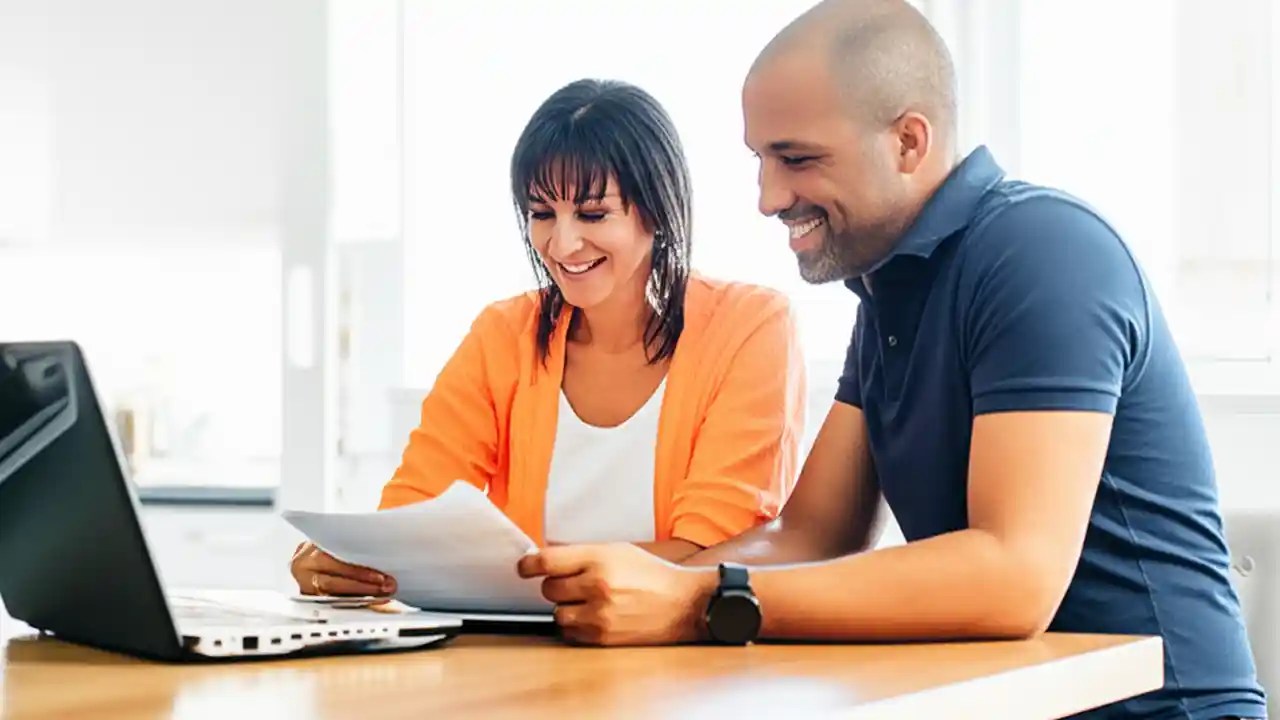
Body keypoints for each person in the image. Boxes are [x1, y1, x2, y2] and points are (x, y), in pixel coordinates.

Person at [515, 2, 1267, 718]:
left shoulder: (1041, 252)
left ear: (909, 141)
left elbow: (1015, 575)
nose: (768, 197)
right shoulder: (890, 290)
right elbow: (812, 534)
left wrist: (701, 599)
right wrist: (608, 582)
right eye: (760, 160)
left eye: (797, 159)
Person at [290, 79, 806, 598]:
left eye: (592, 214)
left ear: (656, 210)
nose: (562, 244)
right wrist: (352, 564)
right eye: (542, 215)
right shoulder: (503, 335)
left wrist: (530, 577)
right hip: (529, 648)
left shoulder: (751, 327)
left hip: (688, 657)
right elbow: (415, 516)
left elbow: (716, 549)